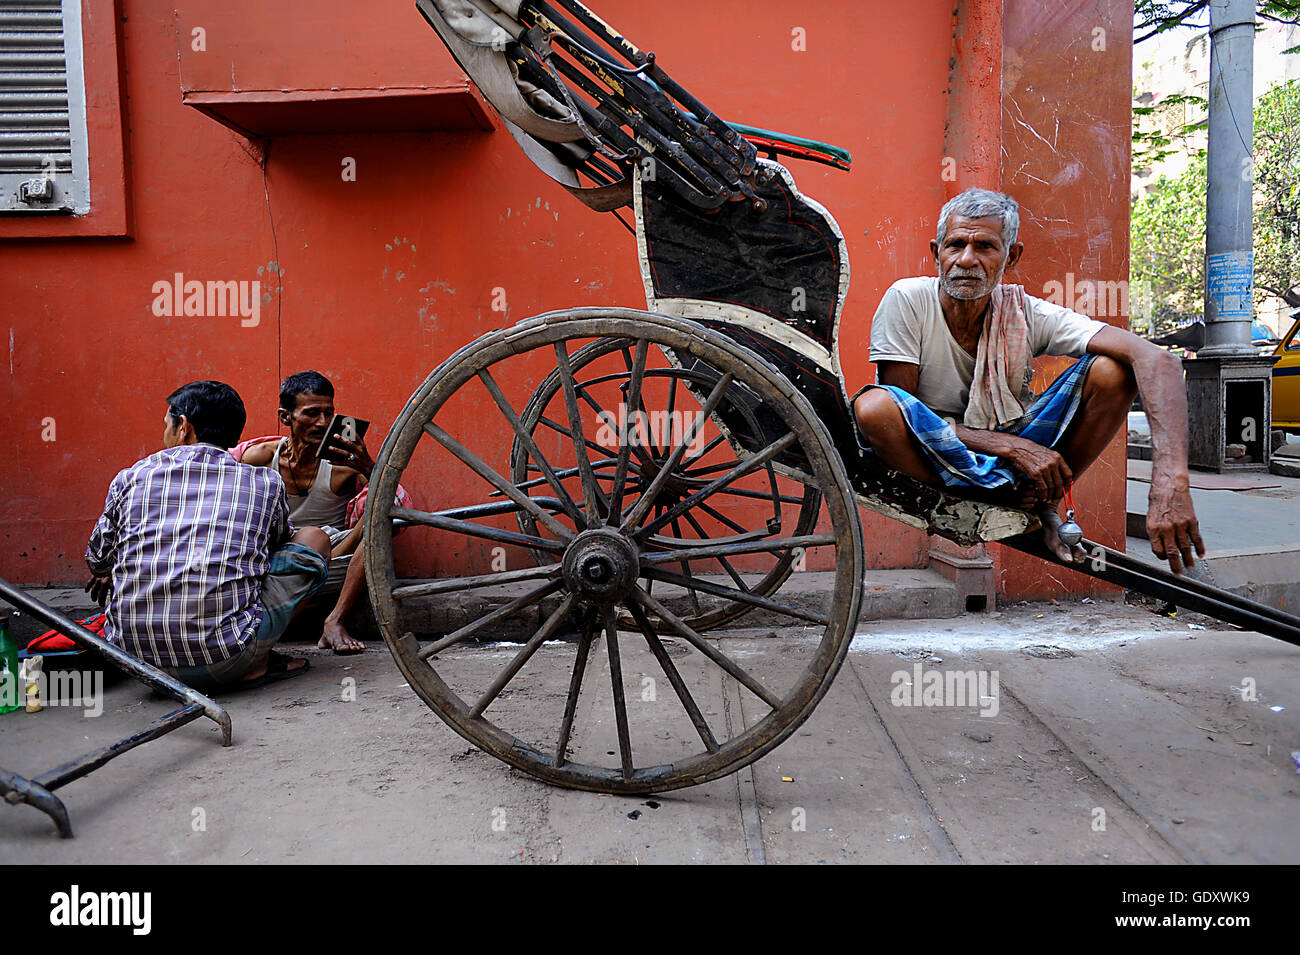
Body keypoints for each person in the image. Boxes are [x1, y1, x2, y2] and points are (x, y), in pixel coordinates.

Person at [853, 188, 1204, 574]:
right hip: (934, 459)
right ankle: (971, 500)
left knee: (1113, 370)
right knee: (875, 408)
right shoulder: (908, 299)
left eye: (985, 246)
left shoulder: (1023, 312)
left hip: (1011, 453)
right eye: (955, 245)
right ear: (937, 252)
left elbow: (1158, 360)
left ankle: (1043, 502)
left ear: (1012, 256)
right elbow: (909, 415)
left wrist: (1171, 482)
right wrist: (1011, 448)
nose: (966, 260)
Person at [85, 381, 330, 690]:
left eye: (166, 425)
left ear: (183, 426)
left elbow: (97, 559)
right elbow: (277, 545)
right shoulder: (264, 482)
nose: (166, 433)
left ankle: (224, 660)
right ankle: (254, 662)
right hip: (225, 658)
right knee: (314, 539)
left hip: (134, 661)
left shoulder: (133, 476)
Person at [239, 371, 373, 653]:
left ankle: (335, 620)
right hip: (276, 560)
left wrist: (368, 467)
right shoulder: (260, 457)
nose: (323, 423)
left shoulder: (344, 464)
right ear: (286, 417)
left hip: (337, 558)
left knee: (383, 522)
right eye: (312, 413)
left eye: (329, 413)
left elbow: (391, 500)